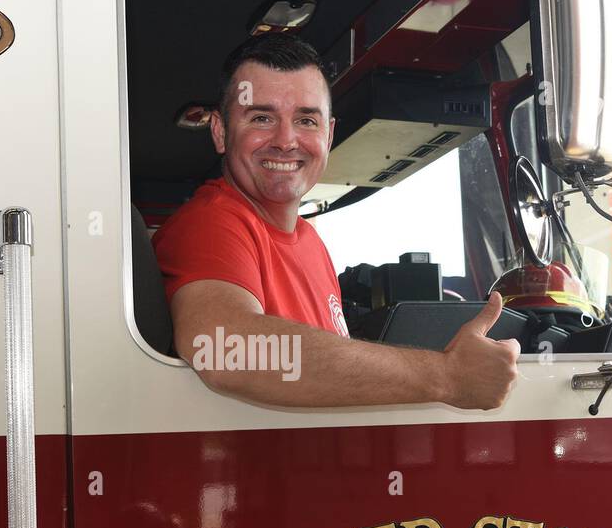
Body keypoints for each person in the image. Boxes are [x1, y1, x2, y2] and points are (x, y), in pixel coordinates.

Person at [152, 35, 518, 410]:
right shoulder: (210, 223)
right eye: (261, 118)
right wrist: (446, 376)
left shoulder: (309, 240)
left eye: (306, 120)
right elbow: (224, 349)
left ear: (328, 134)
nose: (286, 140)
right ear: (220, 131)